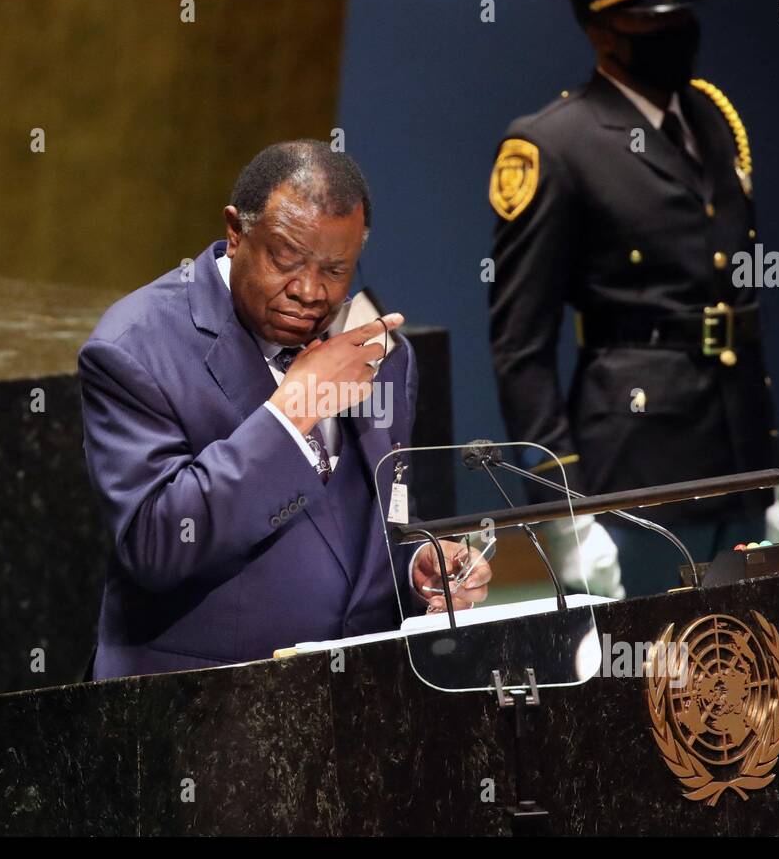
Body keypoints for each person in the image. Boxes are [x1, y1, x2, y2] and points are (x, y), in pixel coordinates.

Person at [81, 140, 489, 678]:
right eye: (285, 260)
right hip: (201, 706)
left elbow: (368, 525)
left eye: (335, 270)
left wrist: (416, 565)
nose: (309, 291)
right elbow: (157, 543)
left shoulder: (380, 354)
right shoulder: (134, 348)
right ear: (235, 231)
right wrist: (295, 408)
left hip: (357, 701)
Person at [488, 0, 779, 598]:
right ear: (601, 34)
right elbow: (522, 349)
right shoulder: (555, 144)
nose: (674, 32)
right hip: (636, 470)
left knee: (754, 673)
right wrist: (562, 517)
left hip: (738, 456)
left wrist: (770, 478)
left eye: (681, 16)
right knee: (651, 683)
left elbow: (731, 301)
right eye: (652, 21)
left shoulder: (711, 117)